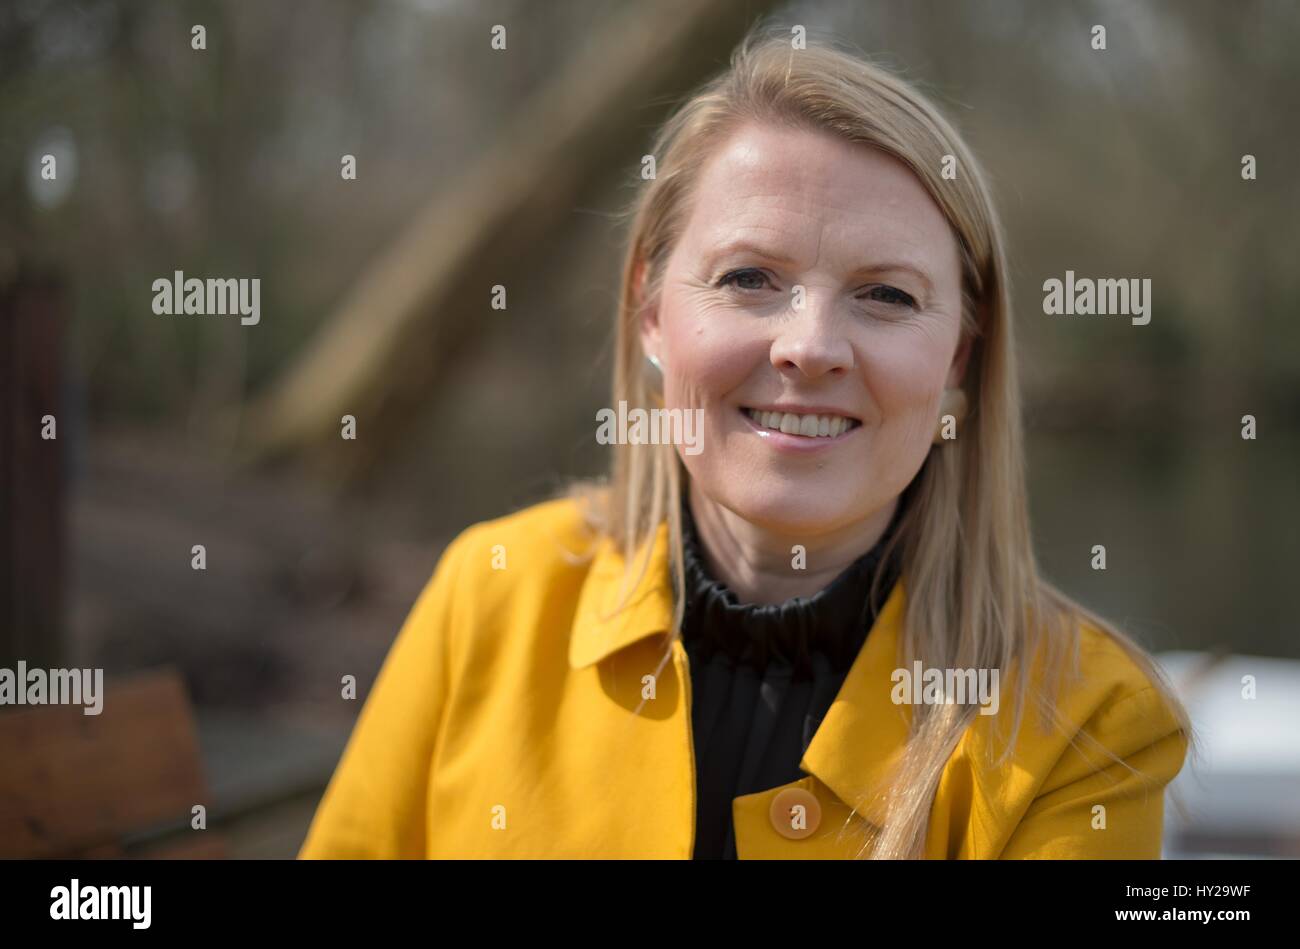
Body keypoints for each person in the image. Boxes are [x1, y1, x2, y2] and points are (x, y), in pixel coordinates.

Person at [299, 24, 1191, 860]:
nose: (809, 346)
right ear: (651, 314)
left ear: (958, 355)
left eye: (885, 295)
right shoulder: (490, 596)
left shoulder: (1087, 721)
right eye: (750, 277)